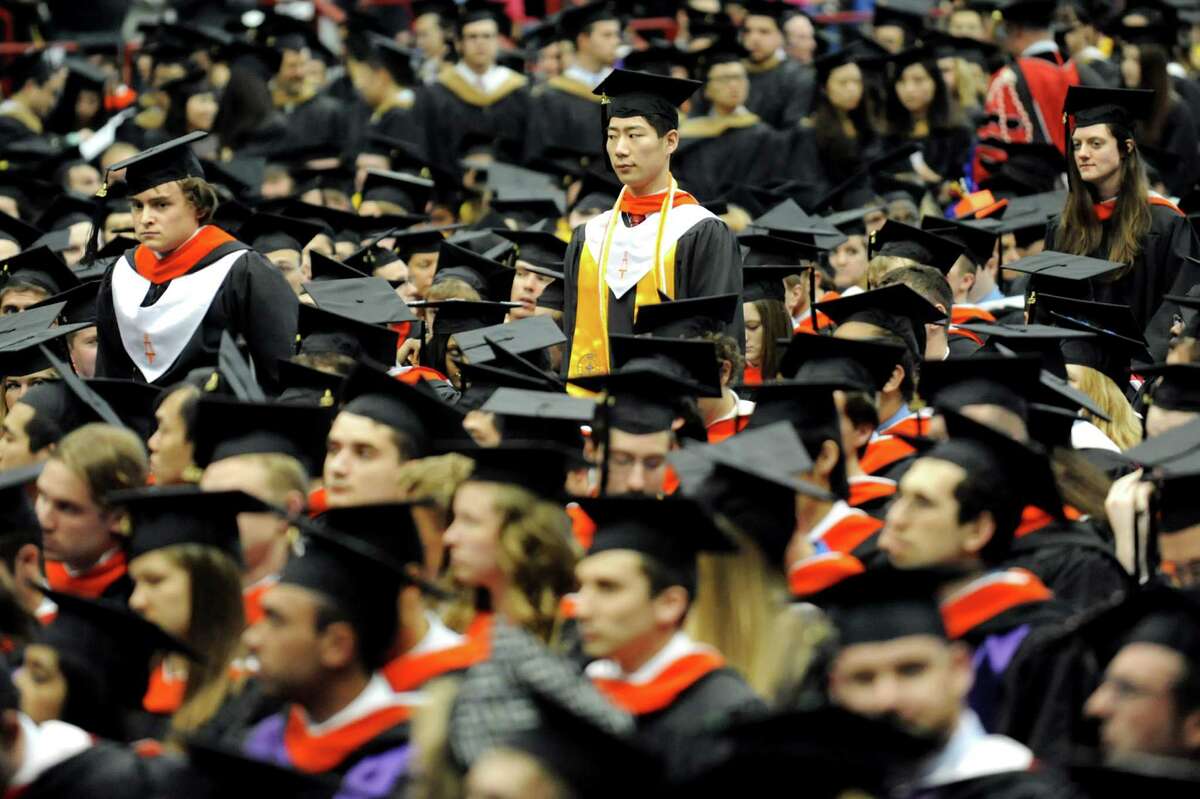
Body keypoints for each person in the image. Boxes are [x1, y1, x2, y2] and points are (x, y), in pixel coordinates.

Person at [561, 69, 743, 382]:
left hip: (674, 411)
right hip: (589, 407)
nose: (620, 149)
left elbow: (721, 338)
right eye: (612, 135)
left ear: (670, 141)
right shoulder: (590, 236)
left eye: (634, 135)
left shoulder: (700, 231)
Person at [819, 570, 1068, 797]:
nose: (887, 698)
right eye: (863, 678)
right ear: (835, 688)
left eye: (911, 670)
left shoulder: (1021, 787)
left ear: (960, 668)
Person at [91, 132, 299, 389]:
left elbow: (278, 371)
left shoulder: (242, 271)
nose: (145, 218)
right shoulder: (122, 274)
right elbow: (109, 376)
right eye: (137, 206)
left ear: (198, 207)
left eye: (161, 205)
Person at [241, 516, 417, 794]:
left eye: (276, 621)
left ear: (337, 646)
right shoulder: (265, 737)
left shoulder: (405, 765)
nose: (251, 639)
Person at [575, 496, 765, 743]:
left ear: (669, 605)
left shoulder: (726, 712)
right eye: (580, 587)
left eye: (608, 588)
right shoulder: (580, 689)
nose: (581, 610)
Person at [1047, 86, 1200, 361]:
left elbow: (1181, 300)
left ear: (1126, 148)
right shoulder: (1063, 225)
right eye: (1077, 144)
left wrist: (1143, 371)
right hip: (1073, 372)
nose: (1082, 154)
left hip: (1138, 375)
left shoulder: (1165, 223)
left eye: (1095, 143)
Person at [35, 423, 147, 602]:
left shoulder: (138, 598)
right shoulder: (27, 564)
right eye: (42, 496)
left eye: (66, 507)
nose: (43, 520)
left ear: (119, 518)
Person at [421, 0, 532, 169]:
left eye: (487, 36)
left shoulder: (518, 90)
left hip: (510, 187)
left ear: (498, 42)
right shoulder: (438, 92)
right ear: (459, 44)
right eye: (472, 37)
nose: (480, 43)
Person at [525, 1, 620, 161]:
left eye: (616, 34)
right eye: (607, 35)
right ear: (583, 40)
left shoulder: (621, 90)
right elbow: (542, 156)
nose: (616, 41)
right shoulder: (552, 97)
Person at [737, 0, 813, 129]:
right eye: (748, 31)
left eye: (764, 32)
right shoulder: (734, 72)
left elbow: (792, 128)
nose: (754, 38)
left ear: (781, 37)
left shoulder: (798, 76)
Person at [0, 49, 68, 144]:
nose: (53, 102)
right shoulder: (7, 125)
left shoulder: (25, 123)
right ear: (30, 87)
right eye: (52, 93)